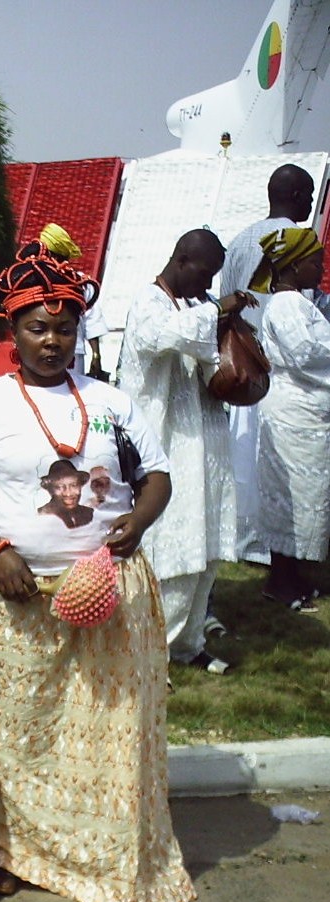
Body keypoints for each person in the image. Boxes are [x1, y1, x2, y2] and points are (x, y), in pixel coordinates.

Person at [0, 245, 192, 902]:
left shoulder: (109, 401)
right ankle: (8, 849)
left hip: (109, 590)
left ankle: (102, 846)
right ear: (12, 333)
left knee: (106, 728)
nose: (52, 341)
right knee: (13, 728)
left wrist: (135, 523)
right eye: (37, 328)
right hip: (13, 594)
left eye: (64, 328)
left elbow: (156, 475)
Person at [115, 228, 256, 675]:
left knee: (206, 544)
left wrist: (225, 323)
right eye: (204, 273)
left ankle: (190, 642)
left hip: (205, 442)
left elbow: (208, 351)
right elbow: (164, 337)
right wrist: (219, 310)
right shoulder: (148, 303)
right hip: (168, 444)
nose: (208, 285)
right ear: (181, 259)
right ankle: (154, 648)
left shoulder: (196, 306)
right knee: (175, 547)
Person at [220, 164, 316, 568]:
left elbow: (224, 301)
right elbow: (303, 311)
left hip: (243, 363)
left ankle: (246, 540)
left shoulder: (241, 239)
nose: (311, 204)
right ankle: (276, 544)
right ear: (294, 196)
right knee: (280, 464)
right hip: (285, 368)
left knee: (244, 456)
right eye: (308, 196)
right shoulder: (299, 241)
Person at [249, 228, 328, 610]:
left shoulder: (297, 302)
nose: (321, 269)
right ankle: (280, 582)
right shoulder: (287, 305)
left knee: (305, 495)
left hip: (307, 414)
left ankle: (294, 576)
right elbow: (305, 353)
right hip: (295, 414)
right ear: (296, 266)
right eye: (316, 262)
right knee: (292, 497)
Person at [38, 223, 110, 378]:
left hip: (73, 353)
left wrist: (96, 355)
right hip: (40, 350)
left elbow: (91, 319)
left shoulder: (80, 283)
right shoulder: (34, 279)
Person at [36, 459, 94, 528]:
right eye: (60, 487)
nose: (68, 493)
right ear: (50, 489)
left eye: (73, 485)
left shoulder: (90, 514)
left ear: (80, 486)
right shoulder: (40, 517)